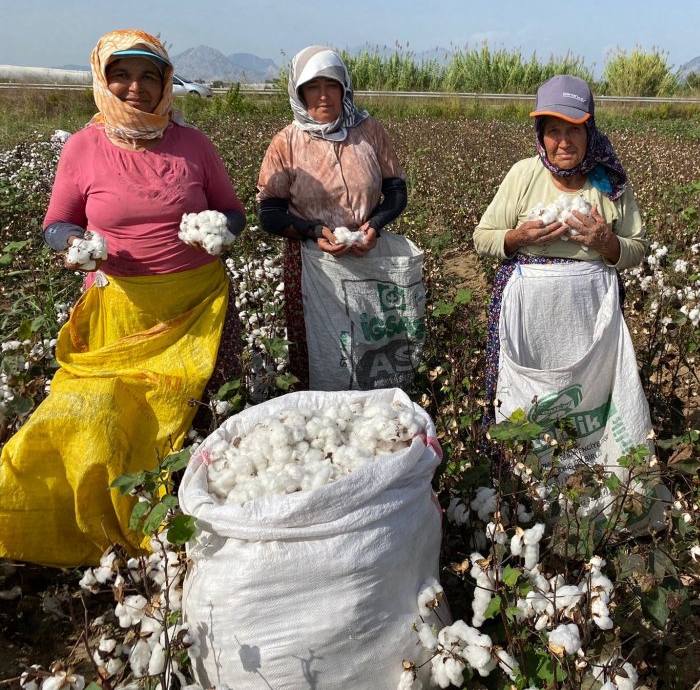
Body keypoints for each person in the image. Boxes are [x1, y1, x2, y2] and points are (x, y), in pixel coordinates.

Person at [0, 30, 246, 567]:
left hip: (198, 310)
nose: (136, 87)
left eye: (149, 76)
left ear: (165, 84)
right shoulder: (83, 147)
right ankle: (105, 527)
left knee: (201, 420)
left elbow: (233, 210)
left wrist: (221, 229)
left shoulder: (194, 145)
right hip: (120, 312)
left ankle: (199, 531)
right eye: (122, 75)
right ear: (103, 80)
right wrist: (74, 244)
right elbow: (55, 223)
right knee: (98, 413)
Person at [474, 75, 651, 464]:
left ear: (590, 130)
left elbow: (637, 247)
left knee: (586, 393)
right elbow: (483, 237)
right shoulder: (523, 175)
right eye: (553, 130)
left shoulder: (611, 184)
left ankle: (587, 463)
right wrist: (517, 238)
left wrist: (607, 244)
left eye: (573, 129)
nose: (563, 141)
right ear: (540, 135)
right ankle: (518, 471)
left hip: (591, 313)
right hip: (529, 313)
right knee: (528, 391)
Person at [257, 46, 412, 390]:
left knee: (372, 349)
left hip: (366, 255)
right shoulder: (287, 143)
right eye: (313, 86)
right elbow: (269, 214)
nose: (324, 95)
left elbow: (396, 192)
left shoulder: (369, 131)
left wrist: (374, 225)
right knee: (321, 353)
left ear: (345, 89)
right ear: (299, 92)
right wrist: (314, 231)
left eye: (332, 84)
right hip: (313, 264)